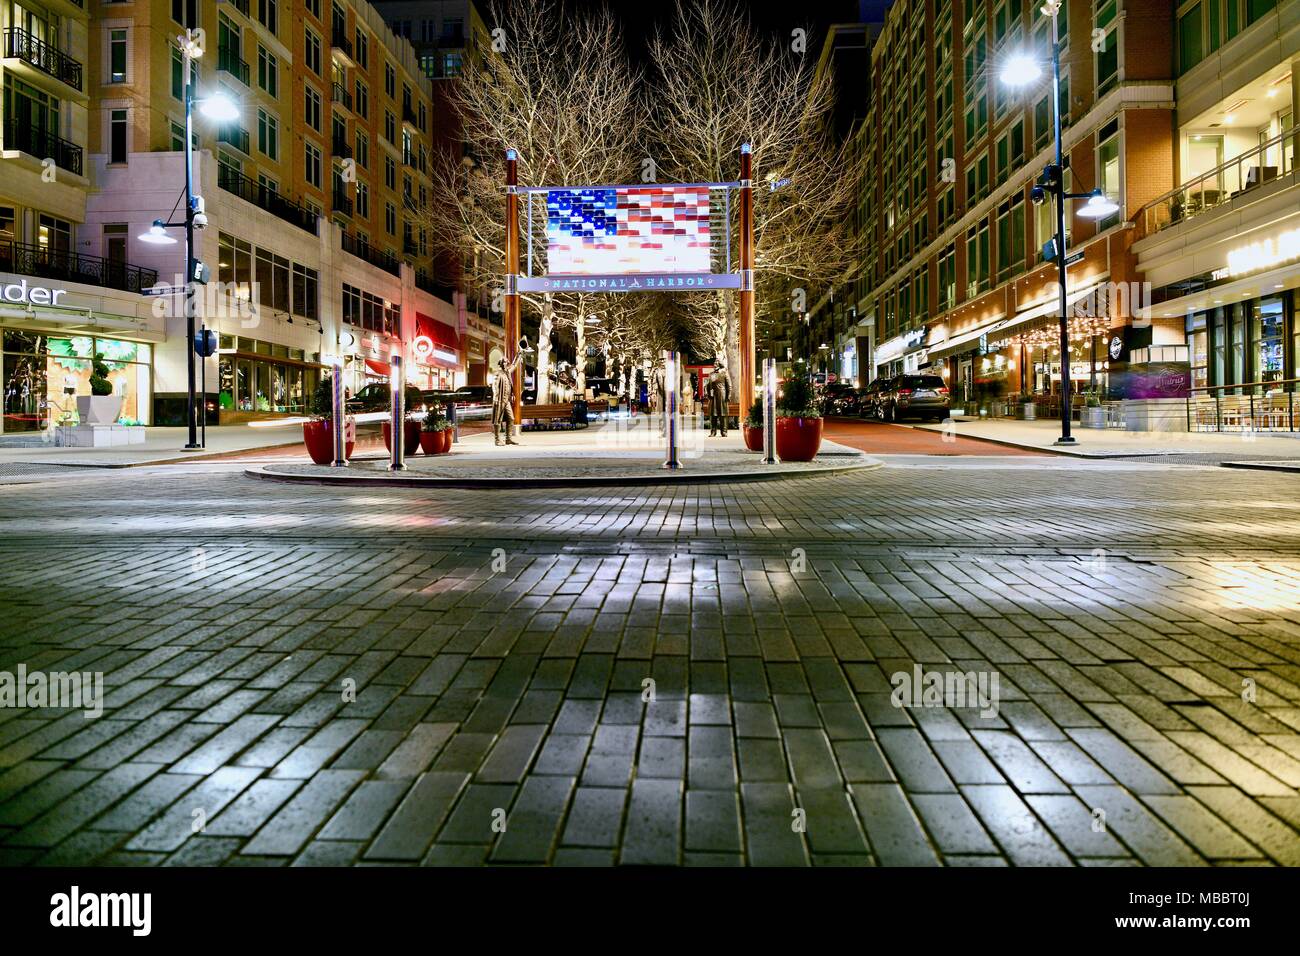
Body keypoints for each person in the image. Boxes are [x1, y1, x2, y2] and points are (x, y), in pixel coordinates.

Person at [492, 339, 528, 445]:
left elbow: (514, 364)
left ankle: (508, 438)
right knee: (497, 419)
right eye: (504, 362)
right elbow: (495, 386)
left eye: (507, 362)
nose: (507, 363)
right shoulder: (498, 373)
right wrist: (496, 397)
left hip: (506, 400)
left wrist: (520, 352)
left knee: (511, 418)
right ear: (501, 363)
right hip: (499, 399)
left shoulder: (507, 372)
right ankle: (497, 439)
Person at [707, 363, 731, 437]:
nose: (714, 364)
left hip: (722, 395)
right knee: (713, 414)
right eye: (714, 363)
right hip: (713, 395)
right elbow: (708, 386)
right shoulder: (711, 374)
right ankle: (713, 431)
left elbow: (729, 385)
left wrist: (728, 396)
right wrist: (708, 394)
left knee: (723, 414)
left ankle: (724, 431)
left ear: (719, 365)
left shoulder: (724, 373)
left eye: (716, 363)